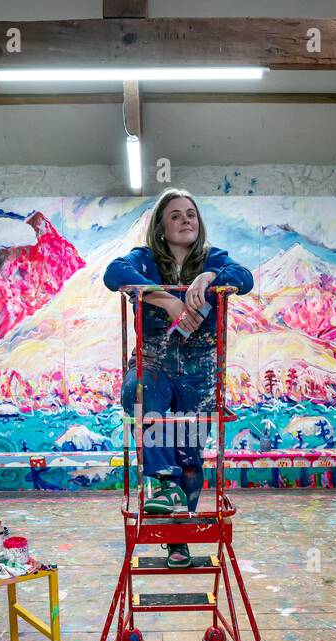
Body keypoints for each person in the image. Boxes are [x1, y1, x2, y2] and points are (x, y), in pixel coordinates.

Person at [103, 188, 253, 568]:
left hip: (200, 369)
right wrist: (167, 298)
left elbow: (245, 277)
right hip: (155, 360)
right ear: (161, 227)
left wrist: (209, 275)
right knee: (138, 396)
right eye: (175, 215)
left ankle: (177, 538)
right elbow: (113, 273)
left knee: (190, 457)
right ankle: (164, 484)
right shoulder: (144, 260)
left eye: (191, 214)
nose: (186, 220)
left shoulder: (214, 258)